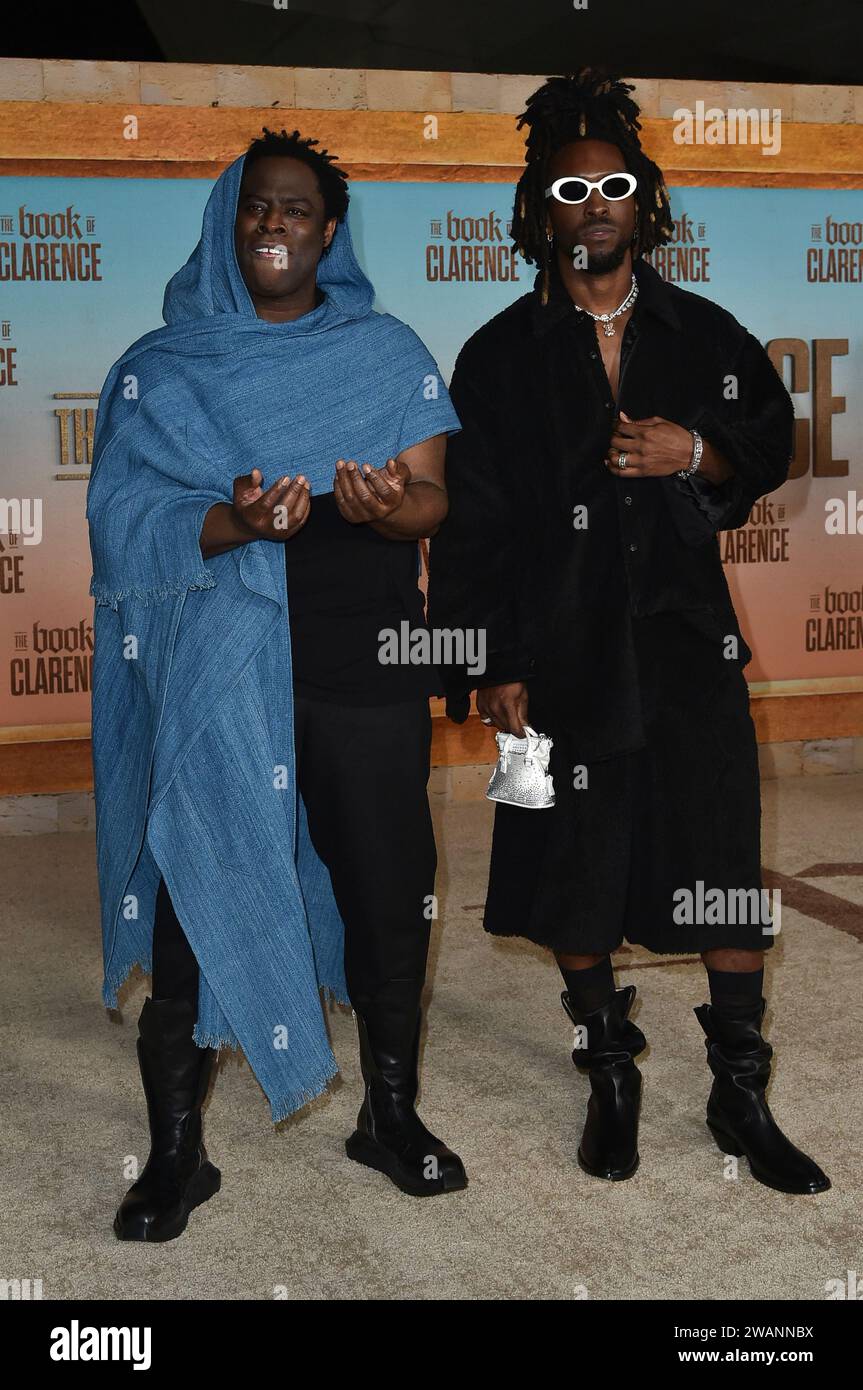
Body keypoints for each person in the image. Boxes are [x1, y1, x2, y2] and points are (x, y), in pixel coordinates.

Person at [427, 71, 829, 1194]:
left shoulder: (703, 333)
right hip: (553, 660)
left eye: (613, 182)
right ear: (539, 208)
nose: (593, 200)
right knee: (567, 859)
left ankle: (738, 1091)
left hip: (684, 644)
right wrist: (492, 662)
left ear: (640, 203)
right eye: (570, 184)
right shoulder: (497, 356)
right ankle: (607, 1059)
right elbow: (473, 525)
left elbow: (767, 442)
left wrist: (691, 452)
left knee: (718, 858)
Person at [87, 127, 467, 1243]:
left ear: (327, 232)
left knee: (390, 885)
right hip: (221, 658)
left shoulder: (387, 351)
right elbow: (121, 520)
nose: (272, 226)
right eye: (255, 206)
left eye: (295, 209)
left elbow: (431, 499)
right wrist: (234, 521)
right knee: (193, 872)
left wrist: (383, 505)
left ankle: (388, 1116)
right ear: (226, 220)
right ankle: (174, 1152)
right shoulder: (168, 363)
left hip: (363, 658)